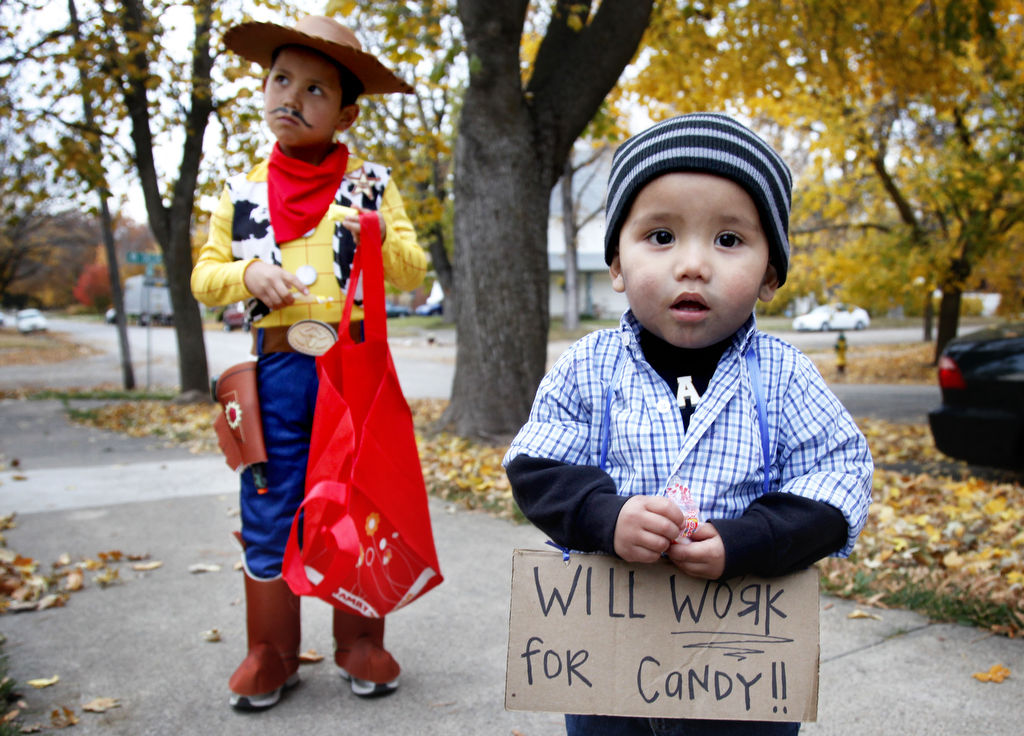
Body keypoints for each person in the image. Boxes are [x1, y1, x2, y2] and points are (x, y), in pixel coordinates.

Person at [504, 113, 873, 736]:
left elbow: (839, 481)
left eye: (729, 240)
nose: (694, 264)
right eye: (661, 236)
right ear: (616, 264)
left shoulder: (783, 377)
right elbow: (538, 465)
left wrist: (750, 540)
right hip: (608, 660)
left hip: (741, 667)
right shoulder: (590, 367)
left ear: (770, 276)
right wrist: (605, 516)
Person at [191, 15, 427, 711]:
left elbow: (413, 272)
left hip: (353, 373)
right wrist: (246, 274)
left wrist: (378, 237)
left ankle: (359, 642)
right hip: (275, 375)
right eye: (281, 79)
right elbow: (204, 276)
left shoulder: (373, 186)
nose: (291, 96)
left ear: (346, 112)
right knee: (268, 502)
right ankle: (271, 651)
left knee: (360, 503)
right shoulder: (238, 191)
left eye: (316, 89)